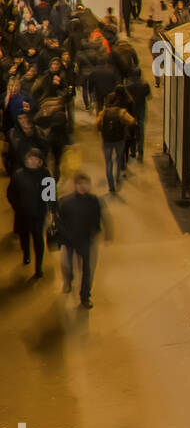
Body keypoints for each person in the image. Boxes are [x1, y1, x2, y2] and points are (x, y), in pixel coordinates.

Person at [57, 171, 103, 308]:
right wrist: (62, 238)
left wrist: (96, 231)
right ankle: (68, 280)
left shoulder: (94, 201)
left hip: (86, 241)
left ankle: (85, 296)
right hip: (70, 241)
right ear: (75, 185)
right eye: (79, 184)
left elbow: (97, 218)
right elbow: (59, 222)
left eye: (85, 183)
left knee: (87, 270)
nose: (83, 186)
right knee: (67, 265)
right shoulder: (66, 202)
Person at [8, 147, 51, 278]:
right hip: (22, 215)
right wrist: (17, 207)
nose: (32, 161)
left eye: (36, 159)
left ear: (40, 161)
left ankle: (38, 267)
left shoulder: (45, 174)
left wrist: (52, 210)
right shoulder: (18, 175)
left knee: (38, 239)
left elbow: (50, 195)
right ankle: (26, 254)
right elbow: (11, 193)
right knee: (24, 237)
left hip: (38, 214)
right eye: (30, 159)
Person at [96, 90, 136, 193]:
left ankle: (111, 186)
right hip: (119, 140)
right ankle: (117, 179)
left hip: (107, 141)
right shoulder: (121, 112)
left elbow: (97, 125)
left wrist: (103, 130)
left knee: (108, 162)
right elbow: (132, 121)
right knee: (118, 159)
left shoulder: (103, 113)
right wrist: (123, 126)